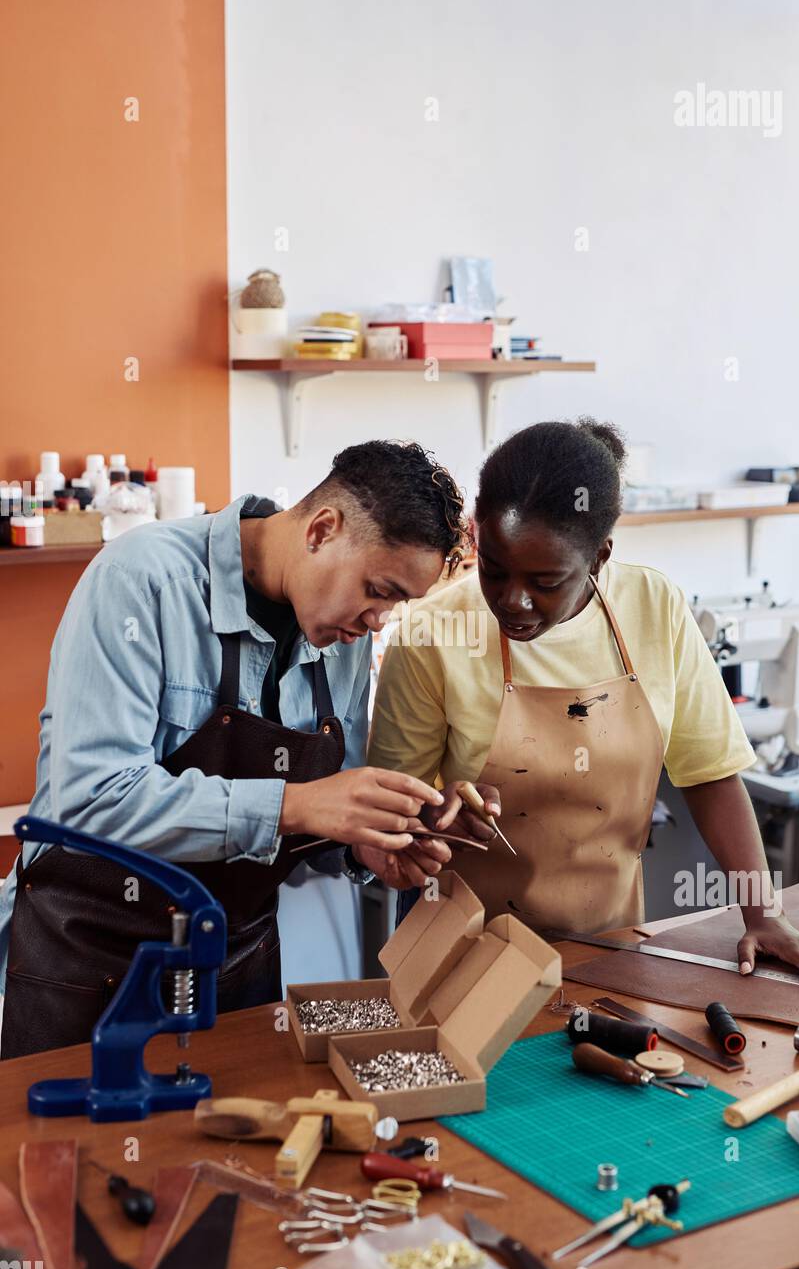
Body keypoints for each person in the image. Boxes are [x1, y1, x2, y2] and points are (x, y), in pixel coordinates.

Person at [0, 440, 464, 1057]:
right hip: (89, 971)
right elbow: (96, 798)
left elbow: (324, 814)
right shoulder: (143, 579)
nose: (379, 621)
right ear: (323, 530)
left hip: (238, 972)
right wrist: (293, 806)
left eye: (399, 603)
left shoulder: (343, 639)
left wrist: (369, 842)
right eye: (378, 590)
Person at [369, 419, 799, 990]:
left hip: (607, 949)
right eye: (495, 570)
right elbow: (389, 822)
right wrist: (436, 818)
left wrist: (764, 914)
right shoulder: (432, 634)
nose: (513, 600)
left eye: (546, 580)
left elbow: (711, 776)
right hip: (461, 955)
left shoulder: (653, 606)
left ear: (600, 557)